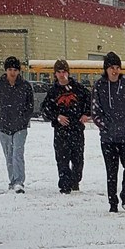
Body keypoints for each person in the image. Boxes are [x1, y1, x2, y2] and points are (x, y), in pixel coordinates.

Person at [92, 52, 125, 213]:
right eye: (112, 67)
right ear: (106, 69)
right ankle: (113, 202)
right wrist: (106, 127)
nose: (115, 71)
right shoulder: (99, 87)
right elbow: (95, 111)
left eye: (117, 67)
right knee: (111, 172)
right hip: (108, 139)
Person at [40, 59, 92, 193]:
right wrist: (57, 116)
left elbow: (90, 102)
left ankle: (75, 181)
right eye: (59, 72)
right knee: (62, 160)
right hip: (60, 131)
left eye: (64, 72)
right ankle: (64, 185)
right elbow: (45, 109)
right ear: (55, 74)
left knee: (78, 160)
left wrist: (86, 114)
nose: (62, 75)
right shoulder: (53, 92)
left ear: (68, 73)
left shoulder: (79, 89)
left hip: (76, 129)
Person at [0, 55, 34, 193]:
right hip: (4, 127)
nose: (12, 72)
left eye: (15, 70)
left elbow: (30, 106)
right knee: (8, 155)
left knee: (17, 154)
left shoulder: (25, 86)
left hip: (20, 127)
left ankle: (19, 181)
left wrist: (24, 120)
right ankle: (12, 180)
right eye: (10, 69)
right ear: (6, 70)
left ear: (19, 71)